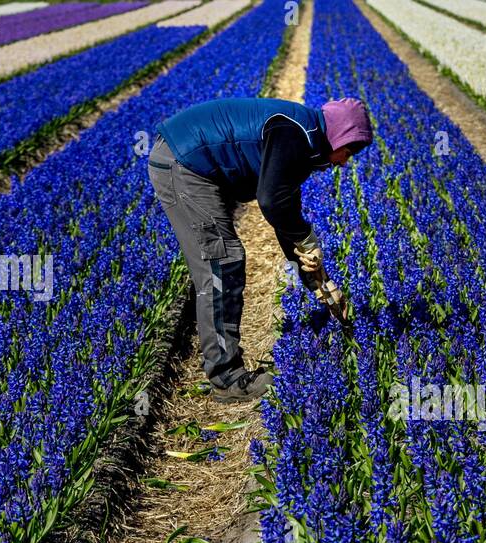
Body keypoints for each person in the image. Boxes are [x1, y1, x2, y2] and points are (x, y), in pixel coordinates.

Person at [147, 96, 373, 401]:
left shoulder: (303, 138)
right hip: (183, 164)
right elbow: (272, 203)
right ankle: (226, 379)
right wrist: (307, 237)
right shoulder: (293, 133)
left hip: (191, 161)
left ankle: (224, 368)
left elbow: (283, 214)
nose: (344, 162)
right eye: (348, 151)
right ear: (340, 135)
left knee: (224, 259)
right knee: (221, 262)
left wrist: (320, 284)